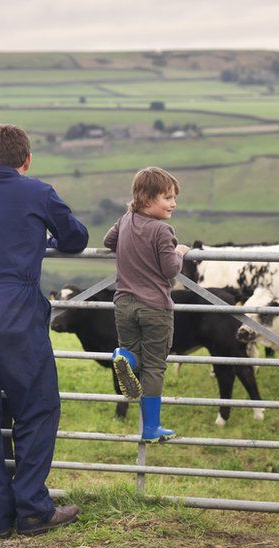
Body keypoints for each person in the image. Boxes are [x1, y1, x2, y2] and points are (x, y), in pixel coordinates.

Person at [0, 124, 88, 539]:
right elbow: (75, 238)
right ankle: (32, 508)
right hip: (15, 314)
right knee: (38, 408)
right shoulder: (38, 192)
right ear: (27, 161)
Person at [104, 167, 190, 443]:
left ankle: (124, 357)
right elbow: (169, 270)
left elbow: (108, 241)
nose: (173, 204)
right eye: (167, 198)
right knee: (154, 366)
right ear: (146, 198)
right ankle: (151, 428)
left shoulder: (126, 219)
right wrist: (179, 252)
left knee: (135, 356)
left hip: (124, 304)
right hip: (155, 308)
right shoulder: (163, 231)